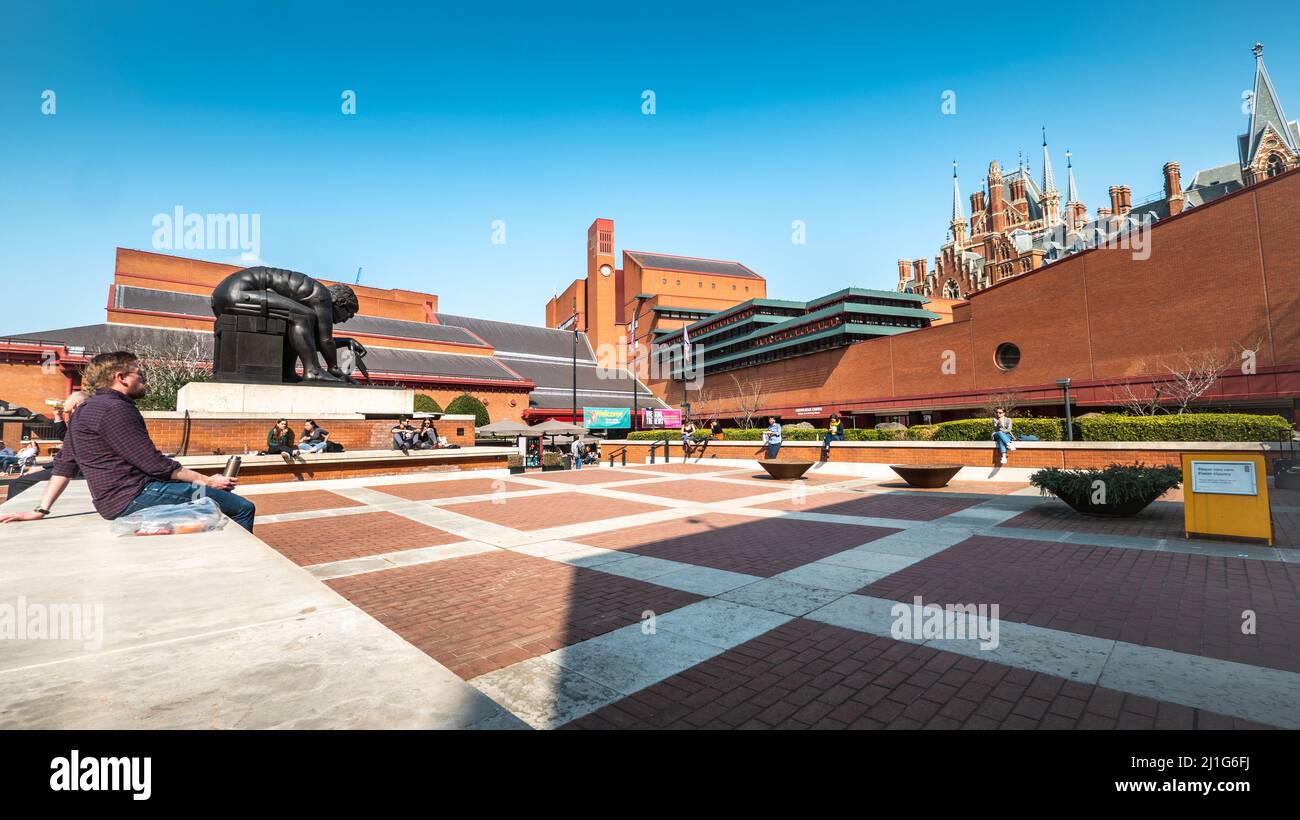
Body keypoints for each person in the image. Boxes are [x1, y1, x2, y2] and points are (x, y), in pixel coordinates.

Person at [0, 351, 255, 531]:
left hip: (109, 502)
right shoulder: (116, 408)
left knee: (207, 500)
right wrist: (209, 480)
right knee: (242, 507)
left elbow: (65, 465)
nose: (143, 378)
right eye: (139, 373)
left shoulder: (84, 411)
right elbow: (156, 465)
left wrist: (41, 509)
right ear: (121, 378)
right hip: (137, 496)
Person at [3, 392, 86, 499]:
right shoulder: (80, 417)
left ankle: (11, 513)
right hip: (72, 466)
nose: (65, 402)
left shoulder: (81, 420)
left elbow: (71, 454)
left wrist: (42, 467)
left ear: (75, 404)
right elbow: (66, 438)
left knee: (18, 484)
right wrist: (57, 415)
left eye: (68, 400)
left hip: (75, 469)